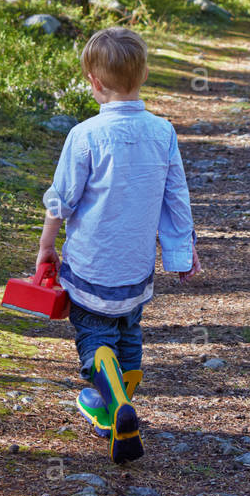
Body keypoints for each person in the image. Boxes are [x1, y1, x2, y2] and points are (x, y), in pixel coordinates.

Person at [37, 26, 200, 463]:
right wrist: (181, 253)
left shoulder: (85, 135)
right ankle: (114, 409)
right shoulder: (163, 132)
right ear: (143, 75)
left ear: (94, 82)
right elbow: (175, 197)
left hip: (90, 269)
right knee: (128, 336)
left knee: (95, 341)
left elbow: (62, 200)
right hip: (136, 271)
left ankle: (114, 402)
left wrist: (45, 248)